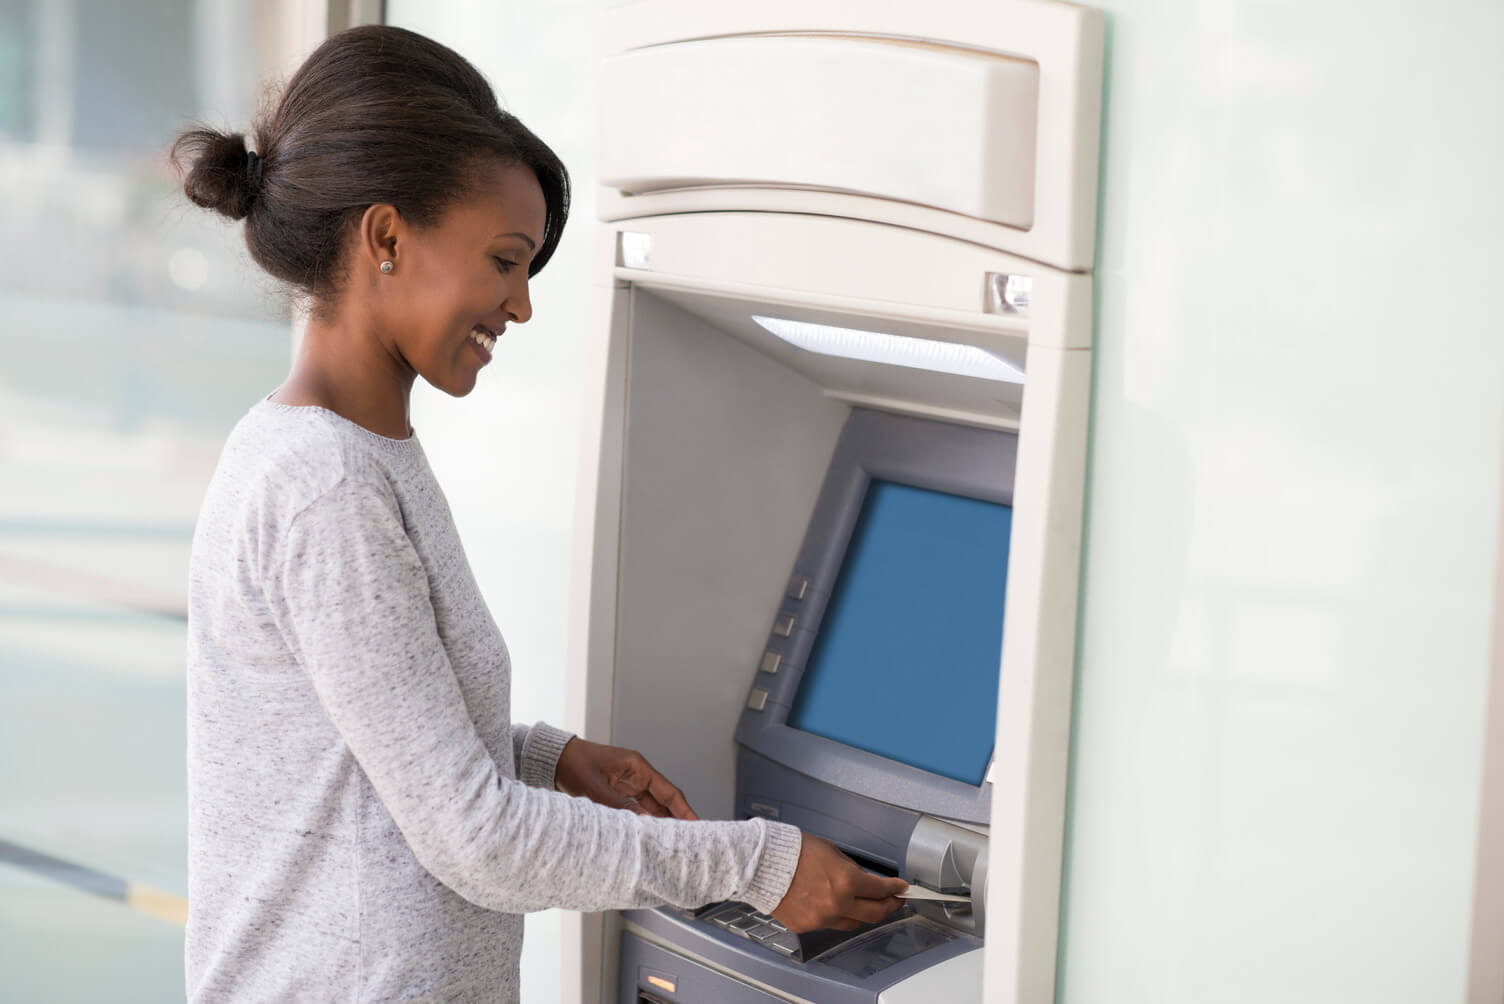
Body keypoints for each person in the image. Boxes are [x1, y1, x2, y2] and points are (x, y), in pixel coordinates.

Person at [173, 24, 906, 1003]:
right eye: (505, 259)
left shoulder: (347, 455)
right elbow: (476, 840)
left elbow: (355, 745)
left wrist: (547, 756)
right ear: (386, 238)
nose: (518, 305)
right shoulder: (328, 490)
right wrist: (760, 864)